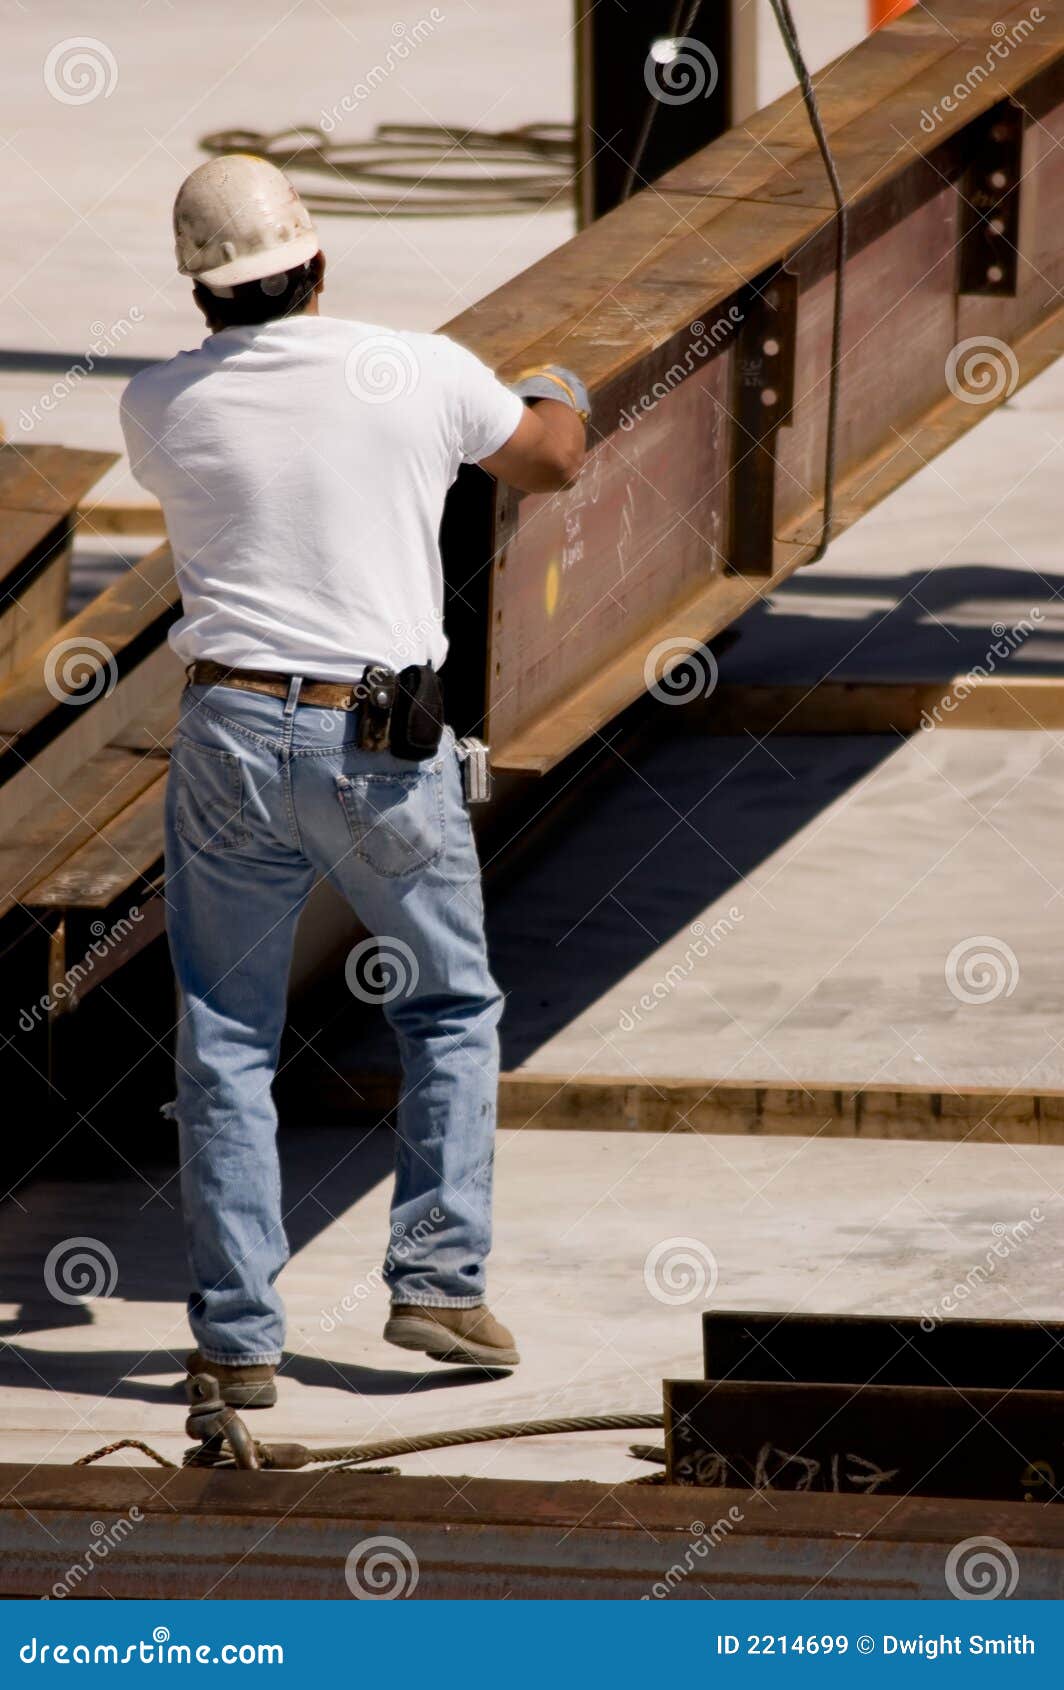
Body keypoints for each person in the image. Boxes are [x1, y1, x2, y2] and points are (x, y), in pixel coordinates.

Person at [120, 155, 588, 1408]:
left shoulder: (158, 403)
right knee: (444, 1007)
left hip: (225, 729)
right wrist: (559, 389)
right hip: (376, 740)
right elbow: (545, 461)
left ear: (201, 297)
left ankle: (236, 1342)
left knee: (224, 1034)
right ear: (316, 263)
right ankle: (436, 1285)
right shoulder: (419, 370)